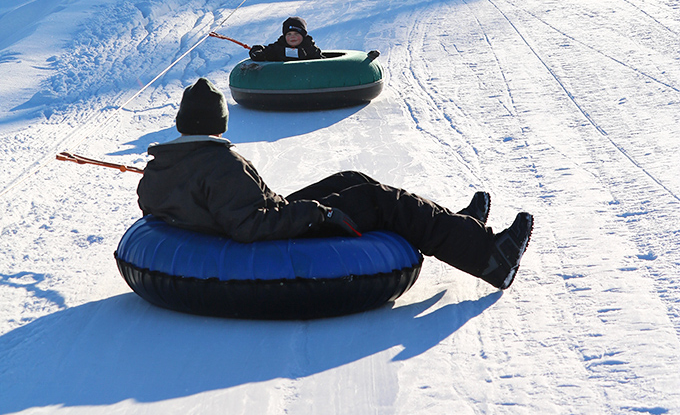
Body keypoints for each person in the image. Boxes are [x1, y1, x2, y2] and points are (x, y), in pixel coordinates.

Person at [137, 77, 534, 290]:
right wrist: (316, 212)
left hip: (246, 218)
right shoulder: (219, 162)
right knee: (379, 200)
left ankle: (459, 226)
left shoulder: (164, 161)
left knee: (351, 179)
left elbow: (183, 208)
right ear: (219, 124)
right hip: (268, 235)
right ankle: (488, 257)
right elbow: (249, 226)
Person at [250, 16, 323, 61]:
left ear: (303, 36)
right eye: (289, 34)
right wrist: (257, 53)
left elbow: (320, 62)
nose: (292, 36)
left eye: (296, 34)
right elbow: (264, 50)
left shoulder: (310, 48)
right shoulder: (279, 47)